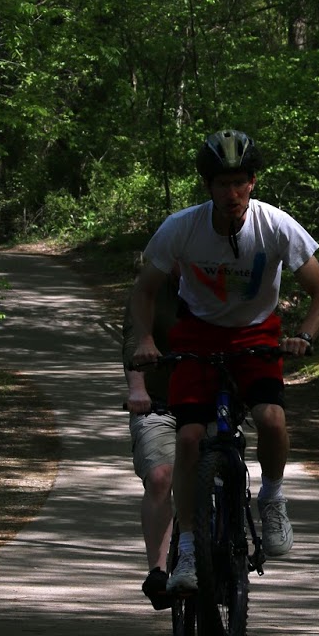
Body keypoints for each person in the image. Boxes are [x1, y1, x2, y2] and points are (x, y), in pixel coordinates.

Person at [129, 129, 319, 595]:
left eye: (240, 181)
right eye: (222, 183)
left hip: (256, 332)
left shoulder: (277, 225)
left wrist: (304, 336)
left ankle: (273, 499)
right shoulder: (181, 227)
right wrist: (145, 338)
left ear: (253, 182)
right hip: (198, 333)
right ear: (208, 187)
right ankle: (185, 550)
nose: (232, 192)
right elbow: (143, 290)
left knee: (271, 418)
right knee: (188, 438)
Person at [122, 260, 179, 610]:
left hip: (209, 401)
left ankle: (224, 543)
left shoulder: (223, 288)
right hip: (158, 403)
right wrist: (138, 390)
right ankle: (158, 571)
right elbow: (133, 344)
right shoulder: (149, 291)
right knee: (160, 476)